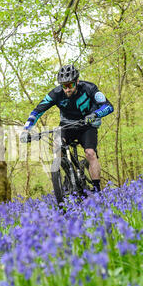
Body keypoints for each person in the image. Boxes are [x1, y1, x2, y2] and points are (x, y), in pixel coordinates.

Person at [20, 64, 114, 192]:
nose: (67, 89)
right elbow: (37, 111)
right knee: (57, 147)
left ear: (77, 81)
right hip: (67, 125)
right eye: (64, 86)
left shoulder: (90, 88)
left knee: (90, 153)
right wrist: (26, 129)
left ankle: (97, 189)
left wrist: (95, 114)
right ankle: (68, 176)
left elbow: (108, 106)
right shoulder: (56, 93)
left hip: (87, 125)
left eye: (70, 85)